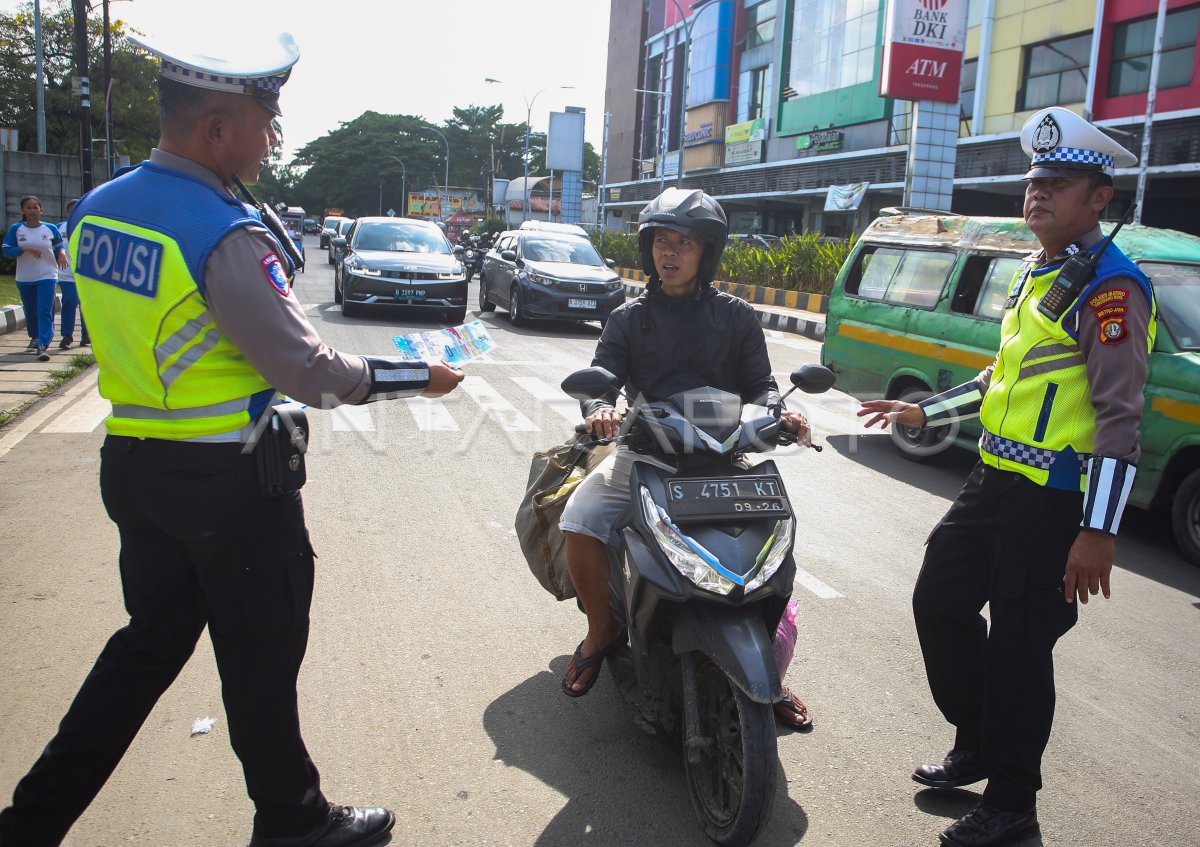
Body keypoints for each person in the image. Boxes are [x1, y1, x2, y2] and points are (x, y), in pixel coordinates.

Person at [0, 31, 463, 847]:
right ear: (217, 129)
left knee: (143, 651)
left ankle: (29, 821)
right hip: (230, 483)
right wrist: (415, 375)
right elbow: (306, 368)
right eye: (264, 121)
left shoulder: (97, 208)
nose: (271, 140)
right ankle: (293, 820)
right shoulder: (219, 230)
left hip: (136, 465)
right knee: (260, 660)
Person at [858, 107, 1155, 847]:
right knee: (940, 599)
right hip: (992, 481)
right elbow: (1004, 375)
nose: (1039, 193)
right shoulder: (1038, 270)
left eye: (1059, 183)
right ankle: (979, 740)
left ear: (1099, 198)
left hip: (1051, 502)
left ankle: (1012, 800)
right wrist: (929, 412)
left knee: (1022, 649)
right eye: (1034, 180)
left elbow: (1121, 419)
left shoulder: (1113, 288)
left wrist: (1098, 529)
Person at [557, 187, 814, 729]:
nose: (669, 253)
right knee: (580, 519)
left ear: (706, 253)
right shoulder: (629, 318)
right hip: (648, 454)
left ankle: (765, 661)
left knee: (774, 547)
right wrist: (602, 408)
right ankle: (601, 629)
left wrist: (781, 415)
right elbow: (601, 380)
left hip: (722, 458)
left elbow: (762, 386)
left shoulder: (737, 317)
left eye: (685, 243)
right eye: (661, 242)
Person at [3, 195, 68, 361]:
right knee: (31, 311)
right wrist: (24, 248)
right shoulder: (17, 229)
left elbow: (59, 245)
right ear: (23, 211)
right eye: (29, 208)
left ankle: (43, 345)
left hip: (47, 275)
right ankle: (35, 337)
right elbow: (7, 251)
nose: (32, 211)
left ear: (41, 210)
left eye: (35, 208)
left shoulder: (50, 228)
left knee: (44, 310)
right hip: (25, 277)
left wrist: (61, 254)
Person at [55, 198, 88, 348]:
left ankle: (87, 335)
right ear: (68, 212)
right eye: (72, 209)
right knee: (69, 302)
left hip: (86, 275)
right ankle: (67, 335)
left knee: (87, 305)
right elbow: (51, 245)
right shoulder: (59, 228)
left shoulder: (90, 226)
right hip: (66, 274)